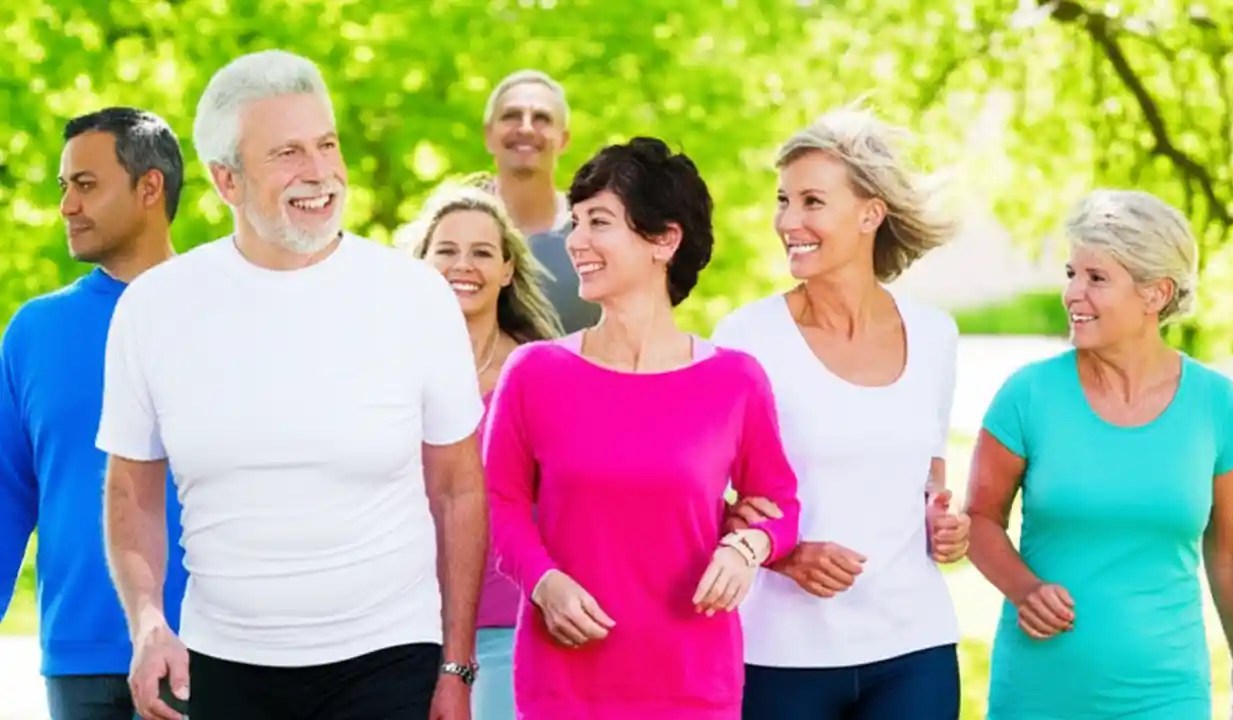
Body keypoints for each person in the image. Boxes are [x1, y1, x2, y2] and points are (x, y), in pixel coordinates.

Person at [97, 50, 486, 720]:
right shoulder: (154, 308)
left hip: (390, 657)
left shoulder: (414, 296)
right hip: (221, 665)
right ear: (226, 181)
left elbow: (458, 488)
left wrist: (455, 665)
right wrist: (148, 621)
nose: (319, 173)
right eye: (286, 153)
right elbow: (130, 489)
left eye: (326, 144)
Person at [482, 137, 801, 719]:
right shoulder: (534, 373)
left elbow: (777, 503)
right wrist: (544, 582)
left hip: (693, 682)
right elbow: (501, 502)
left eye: (598, 222)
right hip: (564, 682)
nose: (575, 241)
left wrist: (745, 548)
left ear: (664, 239)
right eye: (574, 222)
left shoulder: (735, 380)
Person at [713, 106, 972, 720]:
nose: (788, 222)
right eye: (783, 201)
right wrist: (784, 552)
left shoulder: (935, 334)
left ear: (869, 214)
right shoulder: (747, 338)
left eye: (811, 202)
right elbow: (696, 495)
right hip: (780, 653)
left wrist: (947, 526)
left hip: (915, 647)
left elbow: (929, 481)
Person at [965, 189, 1233, 719]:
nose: (1073, 294)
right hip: (1039, 692)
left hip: (1166, 695)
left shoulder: (1218, 406)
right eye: (1071, 273)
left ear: (1155, 293)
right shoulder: (1028, 395)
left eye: (1096, 279)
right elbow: (981, 519)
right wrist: (1024, 587)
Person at [0, 107, 187, 720]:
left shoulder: (223, 315)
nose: (66, 206)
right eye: (63, 187)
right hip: (77, 656)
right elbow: (7, 497)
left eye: (86, 185)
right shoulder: (34, 331)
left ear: (149, 188)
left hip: (205, 647)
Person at [397, 183, 562, 720]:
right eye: (445, 250)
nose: (462, 265)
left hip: (508, 629)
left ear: (509, 269)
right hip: (401, 629)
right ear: (421, 263)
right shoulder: (385, 368)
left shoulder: (541, 372)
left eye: (482, 252)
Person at [481, 69, 600, 332]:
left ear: (564, 139)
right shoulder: (453, 226)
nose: (525, 128)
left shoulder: (594, 232)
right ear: (489, 135)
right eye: (511, 116)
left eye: (541, 118)